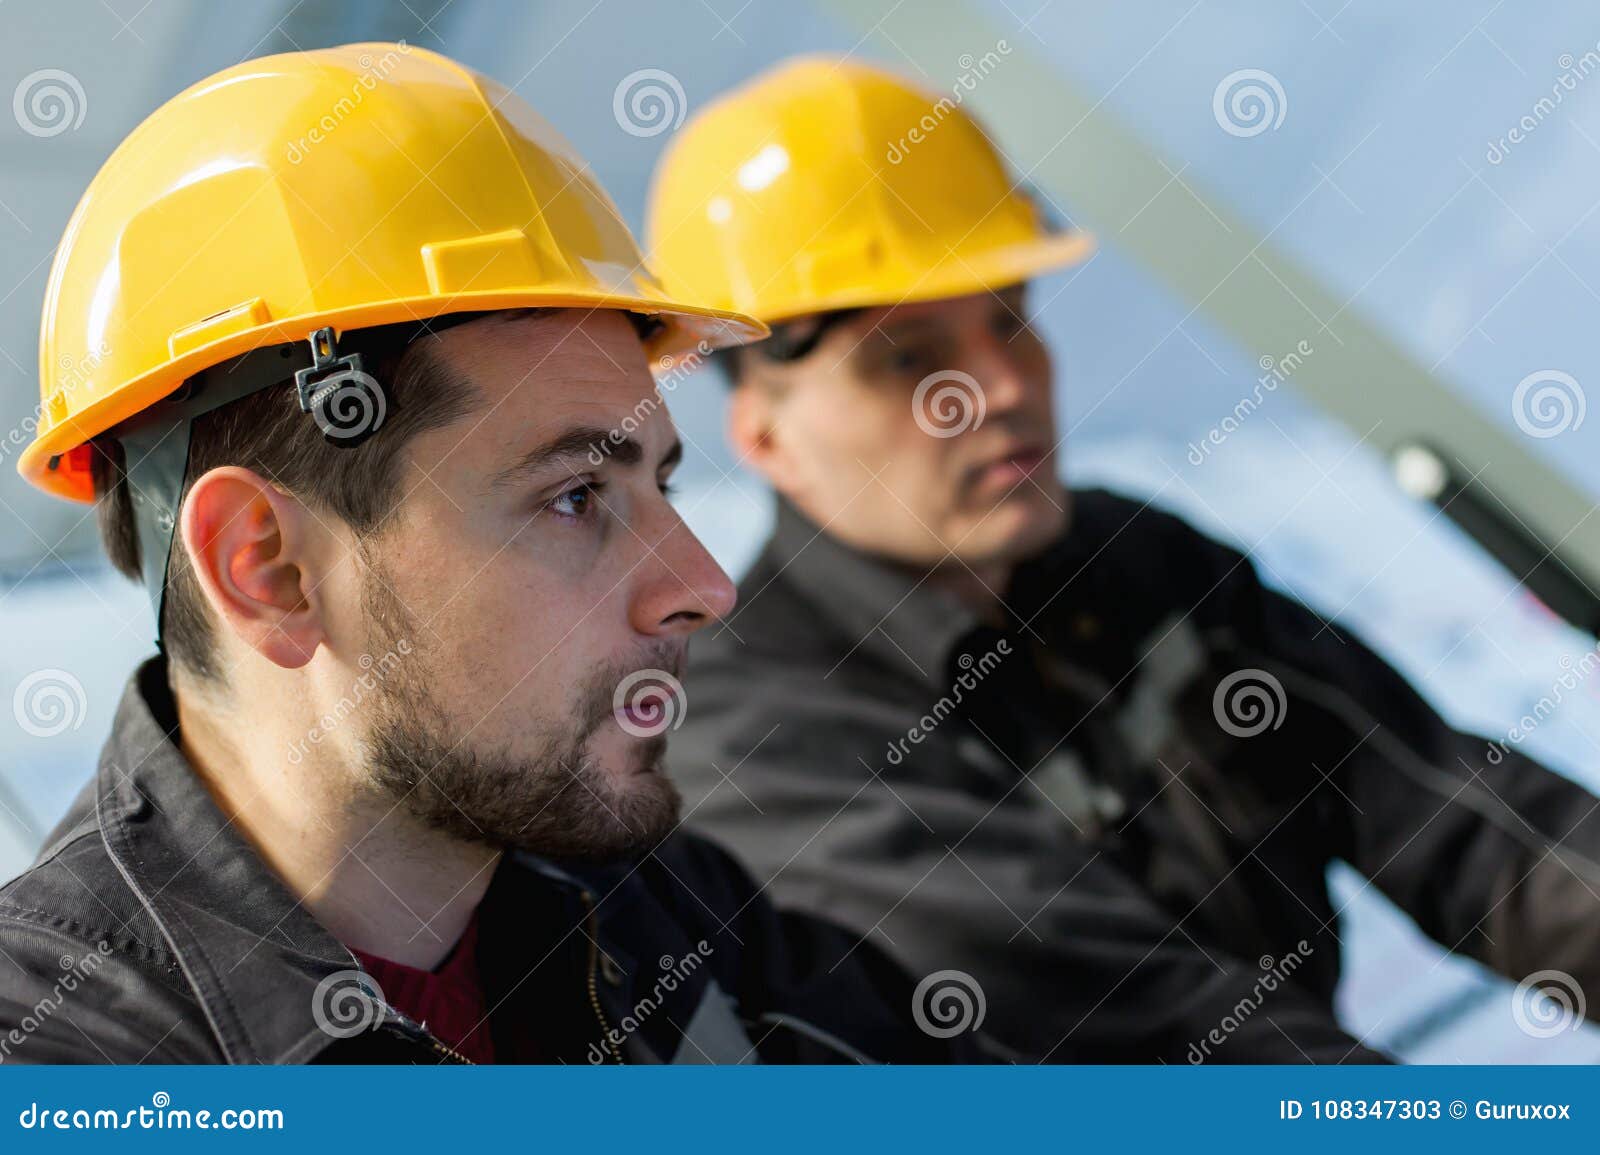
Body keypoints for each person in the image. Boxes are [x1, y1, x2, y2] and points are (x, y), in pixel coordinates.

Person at [0, 44, 975, 1066]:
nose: (703, 586)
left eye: (662, 485)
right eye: (574, 497)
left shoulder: (671, 919)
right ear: (270, 571)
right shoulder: (67, 1055)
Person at [649, 56, 1600, 1063]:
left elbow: (1472, 829)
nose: (1002, 385)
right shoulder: (754, 744)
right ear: (763, 439)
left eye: (1010, 318)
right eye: (908, 358)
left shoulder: (1140, 565)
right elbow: (1168, 1041)